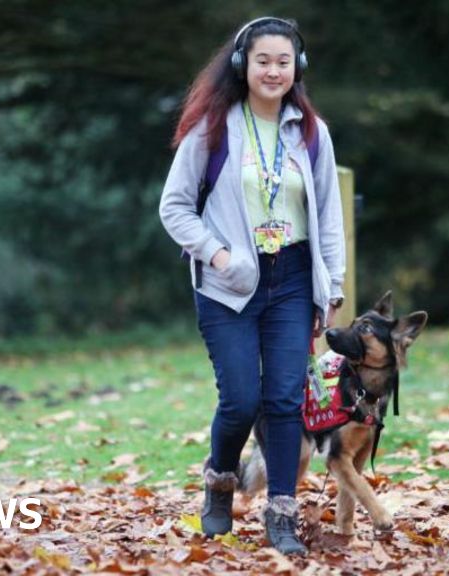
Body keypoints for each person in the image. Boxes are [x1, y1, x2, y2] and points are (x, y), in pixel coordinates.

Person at [159, 16, 346, 555]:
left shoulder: (312, 133)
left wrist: (330, 287)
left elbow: (328, 216)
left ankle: (281, 514)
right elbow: (174, 208)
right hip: (227, 284)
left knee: (285, 400)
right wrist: (217, 254)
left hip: (291, 277)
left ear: (297, 68)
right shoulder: (213, 128)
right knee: (241, 400)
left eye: (283, 62)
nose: (272, 71)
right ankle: (220, 481)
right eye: (262, 60)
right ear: (243, 65)